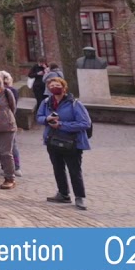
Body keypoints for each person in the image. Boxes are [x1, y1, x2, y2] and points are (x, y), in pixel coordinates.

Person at [36, 75, 93, 210]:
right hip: (53, 140)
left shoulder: (75, 104)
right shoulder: (46, 102)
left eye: (57, 85)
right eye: (51, 86)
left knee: (74, 170)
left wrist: (61, 125)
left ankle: (80, 197)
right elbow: (38, 117)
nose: (54, 88)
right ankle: (63, 193)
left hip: (72, 142)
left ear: (64, 87)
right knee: (58, 168)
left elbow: (85, 123)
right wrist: (47, 119)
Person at [0, 70, 23, 177]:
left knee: (9, 145)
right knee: (10, 145)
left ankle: (14, 167)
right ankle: (12, 167)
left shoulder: (9, 91)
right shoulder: (12, 90)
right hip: (7, 120)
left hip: (6, 121)